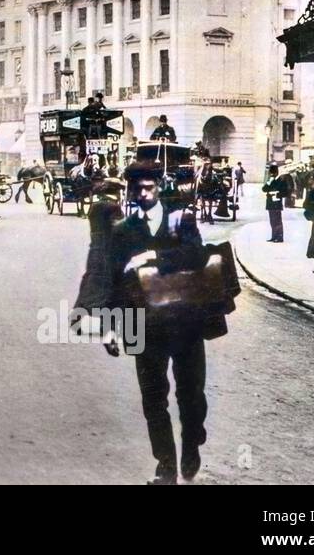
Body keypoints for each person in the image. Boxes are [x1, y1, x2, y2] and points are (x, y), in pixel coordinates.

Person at [73, 157, 217, 485]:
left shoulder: (181, 219)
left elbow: (197, 255)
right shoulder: (123, 230)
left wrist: (154, 257)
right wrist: (109, 328)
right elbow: (111, 279)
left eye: (148, 188)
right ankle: (165, 467)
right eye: (136, 189)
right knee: (154, 400)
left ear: (159, 185)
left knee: (191, 395)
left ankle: (192, 441)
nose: (142, 195)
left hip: (184, 321)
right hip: (144, 326)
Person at [264, 164, 287, 242]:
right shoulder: (270, 181)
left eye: (272, 173)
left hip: (277, 203)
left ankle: (280, 237)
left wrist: (277, 193)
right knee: (272, 221)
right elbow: (264, 189)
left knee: (277, 220)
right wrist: (268, 182)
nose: (271, 175)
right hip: (270, 203)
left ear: (276, 173)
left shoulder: (281, 180)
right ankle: (274, 236)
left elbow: (285, 192)